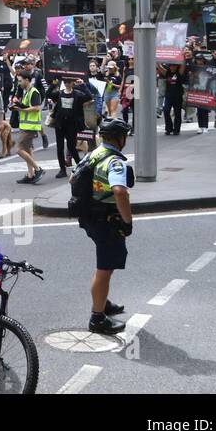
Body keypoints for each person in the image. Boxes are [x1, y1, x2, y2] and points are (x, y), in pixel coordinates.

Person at [74, 118, 134, 335]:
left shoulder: (94, 153)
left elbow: (73, 179)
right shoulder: (114, 161)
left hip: (90, 217)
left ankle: (103, 301)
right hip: (107, 220)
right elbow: (120, 191)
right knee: (105, 269)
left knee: (105, 265)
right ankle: (97, 318)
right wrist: (127, 221)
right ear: (120, 138)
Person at [46, 76, 90, 177]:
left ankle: (80, 165)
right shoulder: (59, 93)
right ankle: (62, 169)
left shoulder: (77, 94)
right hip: (60, 124)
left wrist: (82, 85)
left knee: (72, 146)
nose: (67, 83)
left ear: (73, 83)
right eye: (65, 82)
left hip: (72, 124)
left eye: (69, 82)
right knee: (60, 147)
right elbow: (48, 94)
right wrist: (53, 84)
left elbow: (88, 97)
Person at [11, 71, 44, 183]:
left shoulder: (34, 92)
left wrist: (21, 109)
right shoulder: (27, 92)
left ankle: (38, 169)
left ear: (27, 80)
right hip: (26, 126)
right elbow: (29, 106)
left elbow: (36, 108)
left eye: (20, 81)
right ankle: (30, 174)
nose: (19, 83)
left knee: (19, 150)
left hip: (30, 127)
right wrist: (19, 105)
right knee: (28, 150)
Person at [161, 63, 185, 135]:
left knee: (177, 113)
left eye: (174, 65)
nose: (172, 67)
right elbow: (159, 67)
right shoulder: (167, 72)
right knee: (166, 110)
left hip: (178, 96)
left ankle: (176, 129)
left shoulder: (179, 72)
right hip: (168, 96)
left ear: (177, 66)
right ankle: (169, 128)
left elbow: (183, 66)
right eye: (171, 66)